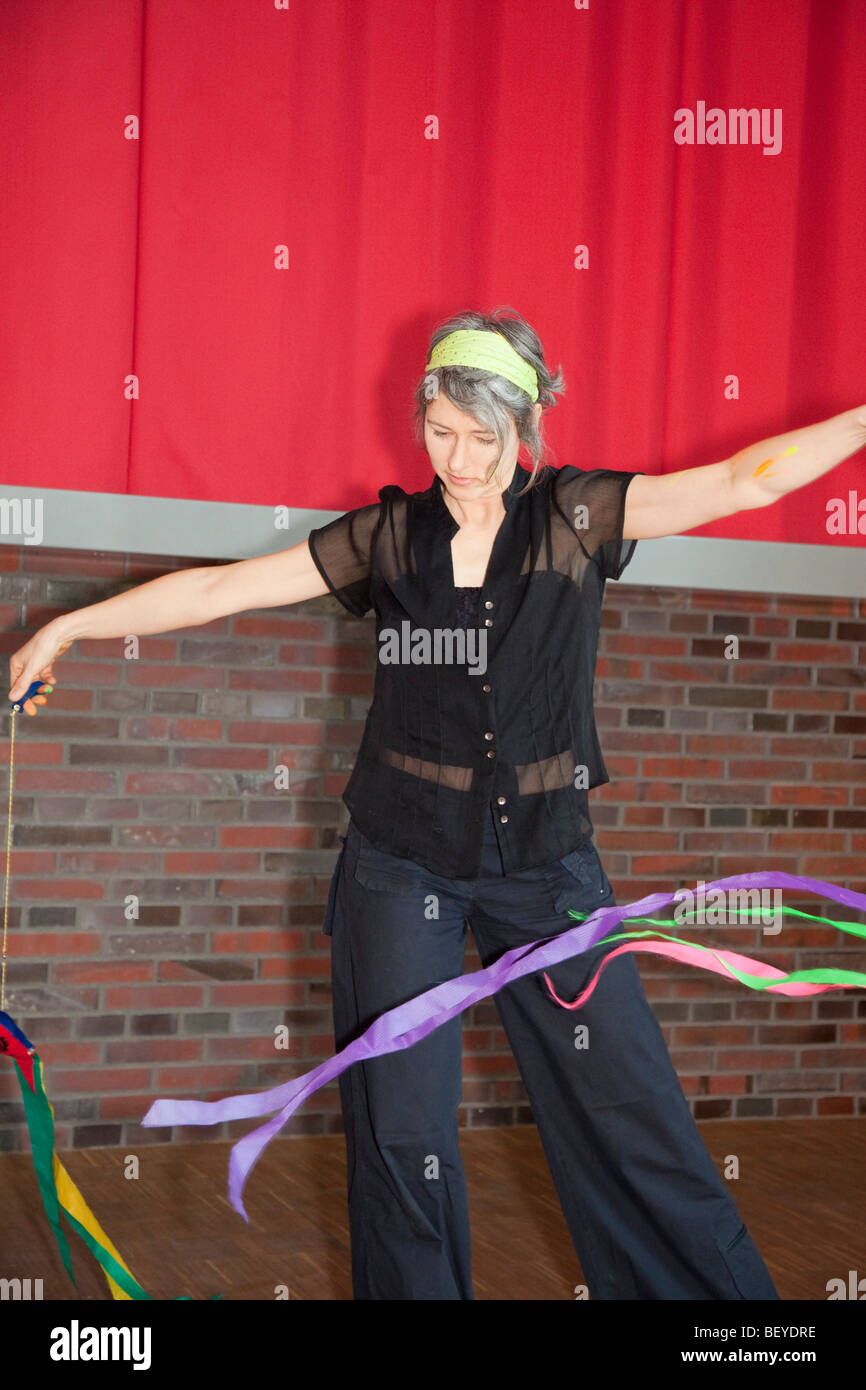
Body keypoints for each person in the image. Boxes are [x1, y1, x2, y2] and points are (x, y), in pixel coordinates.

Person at [8, 308, 865, 1301]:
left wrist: (855, 426)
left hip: (546, 868)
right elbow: (223, 589)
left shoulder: (575, 517)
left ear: (526, 426)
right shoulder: (386, 537)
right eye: (440, 431)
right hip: (398, 864)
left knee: (626, 1107)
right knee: (402, 1128)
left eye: (483, 436)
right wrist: (72, 624)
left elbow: (732, 480)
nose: (459, 460)